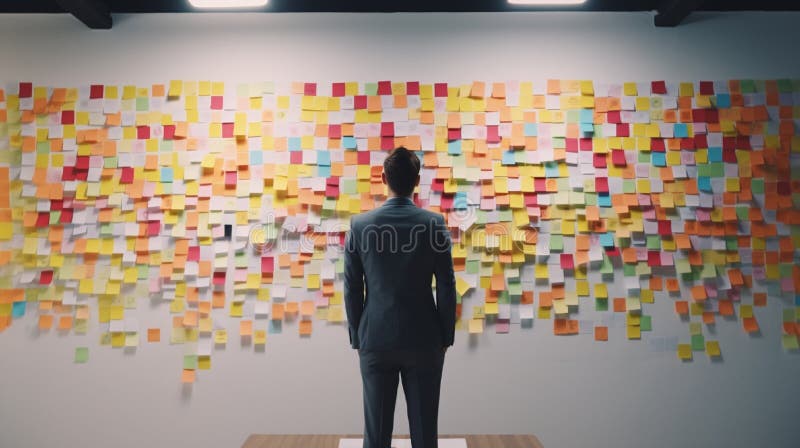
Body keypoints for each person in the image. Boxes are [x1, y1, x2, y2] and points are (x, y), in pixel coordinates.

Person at [344, 147, 457, 448]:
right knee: (424, 434)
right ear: (417, 181)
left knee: (376, 436)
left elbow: (352, 287)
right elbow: (446, 285)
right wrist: (445, 335)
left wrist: (358, 335)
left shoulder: (360, 225)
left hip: (375, 338)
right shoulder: (434, 224)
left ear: (383, 178)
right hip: (425, 339)